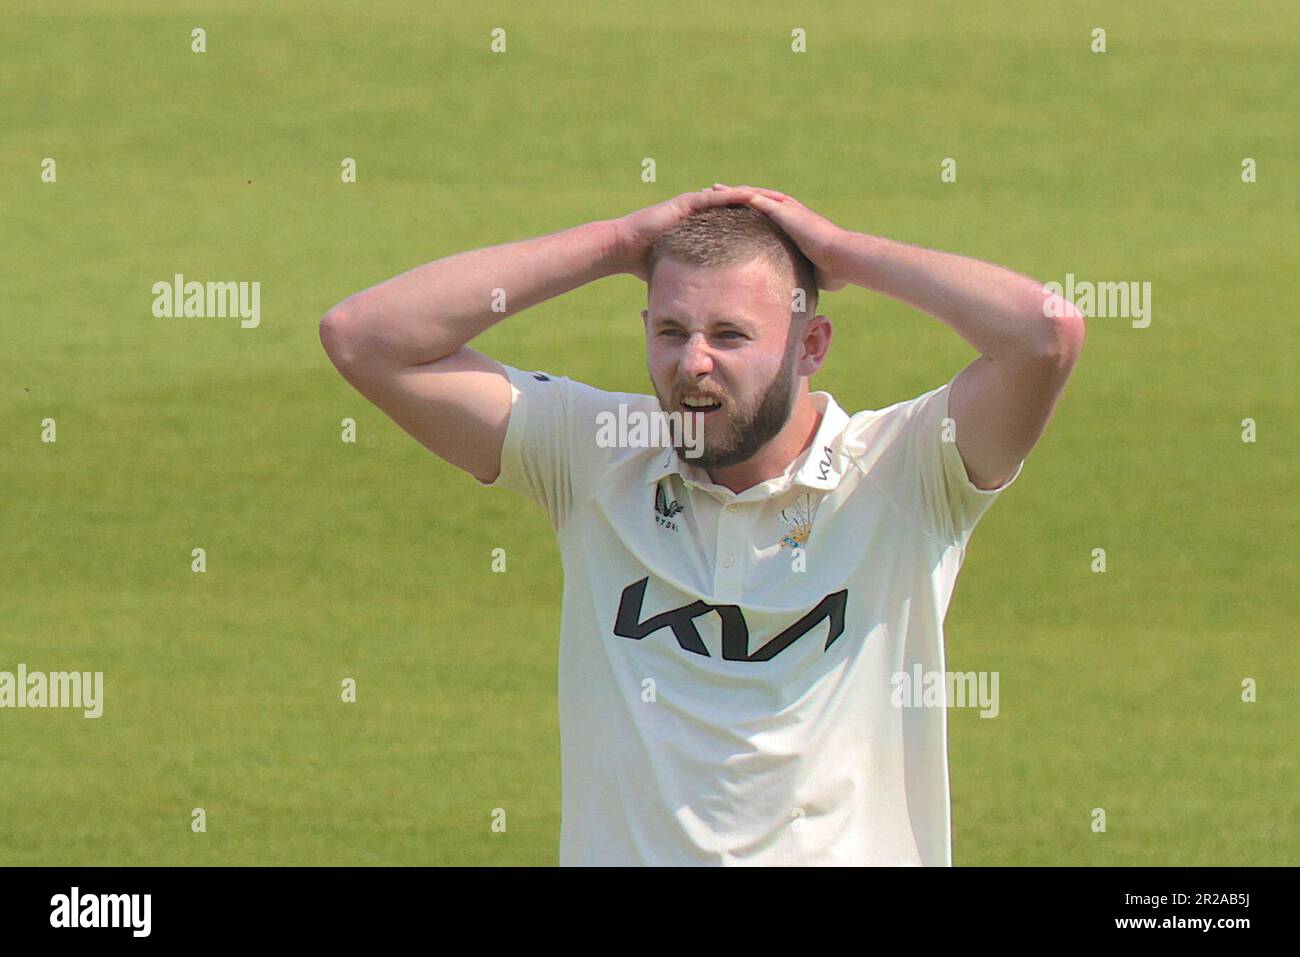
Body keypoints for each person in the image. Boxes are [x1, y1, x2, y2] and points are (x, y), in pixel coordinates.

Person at [318, 184, 1085, 865]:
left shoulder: (907, 472)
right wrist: (615, 244)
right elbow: (364, 336)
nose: (694, 364)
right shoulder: (594, 456)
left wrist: (840, 253)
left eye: (730, 335)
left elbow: (1045, 334)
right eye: (671, 331)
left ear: (809, 344)